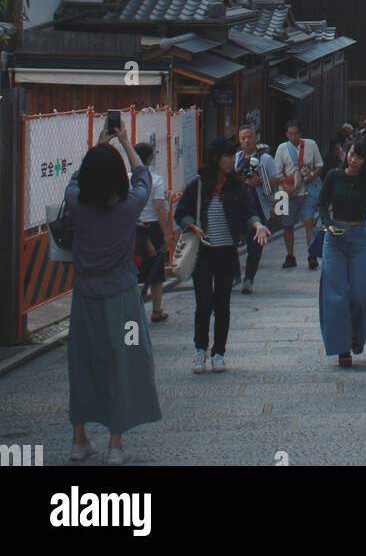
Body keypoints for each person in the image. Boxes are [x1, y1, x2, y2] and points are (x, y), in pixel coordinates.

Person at [64, 116, 161, 465]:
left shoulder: (76, 203)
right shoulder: (127, 207)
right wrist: (124, 143)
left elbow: (76, 180)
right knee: (124, 362)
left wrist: (101, 143)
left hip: (84, 298)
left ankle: (79, 440)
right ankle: (115, 446)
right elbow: (143, 178)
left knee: (84, 364)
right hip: (122, 299)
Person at [174, 138, 268, 374]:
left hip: (227, 252)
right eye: (227, 156)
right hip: (203, 253)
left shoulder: (237, 187)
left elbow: (249, 212)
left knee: (222, 305)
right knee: (203, 304)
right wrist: (193, 226)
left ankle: (219, 352)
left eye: (231, 156)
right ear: (216, 158)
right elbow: (181, 213)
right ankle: (200, 350)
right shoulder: (197, 185)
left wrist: (257, 225)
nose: (230, 160)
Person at [317, 134, 366, 367]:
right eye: (351, 154)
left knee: (364, 290)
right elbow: (322, 203)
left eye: (360, 157)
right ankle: (343, 348)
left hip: (360, 236)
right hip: (335, 237)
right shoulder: (334, 176)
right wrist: (328, 223)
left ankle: (357, 336)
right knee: (336, 294)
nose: (353, 160)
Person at [234, 124, 280, 293]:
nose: (246, 141)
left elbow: (275, 180)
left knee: (255, 245)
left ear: (256, 138)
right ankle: (235, 273)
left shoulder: (265, 158)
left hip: (258, 204)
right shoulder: (236, 158)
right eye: (243, 138)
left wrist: (259, 181)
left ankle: (249, 278)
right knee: (231, 240)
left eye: (249, 137)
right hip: (238, 205)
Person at [274, 121, 324, 270]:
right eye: (290, 133)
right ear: (286, 134)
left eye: (295, 133)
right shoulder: (282, 148)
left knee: (309, 222)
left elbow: (319, 165)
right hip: (288, 192)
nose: (293, 136)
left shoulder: (311, 144)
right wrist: (287, 183)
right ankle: (290, 255)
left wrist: (312, 175)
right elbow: (277, 172)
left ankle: (312, 255)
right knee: (287, 225)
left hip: (308, 189)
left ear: (300, 133)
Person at [135, 141, 169, 322]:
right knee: (156, 271)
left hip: (132, 227)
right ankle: (156, 310)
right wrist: (166, 233)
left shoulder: (126, 178)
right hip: (152, 226)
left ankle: (133, 310)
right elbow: (159, 207)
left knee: (133, 270)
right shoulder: (155, 179)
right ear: (149, 158)